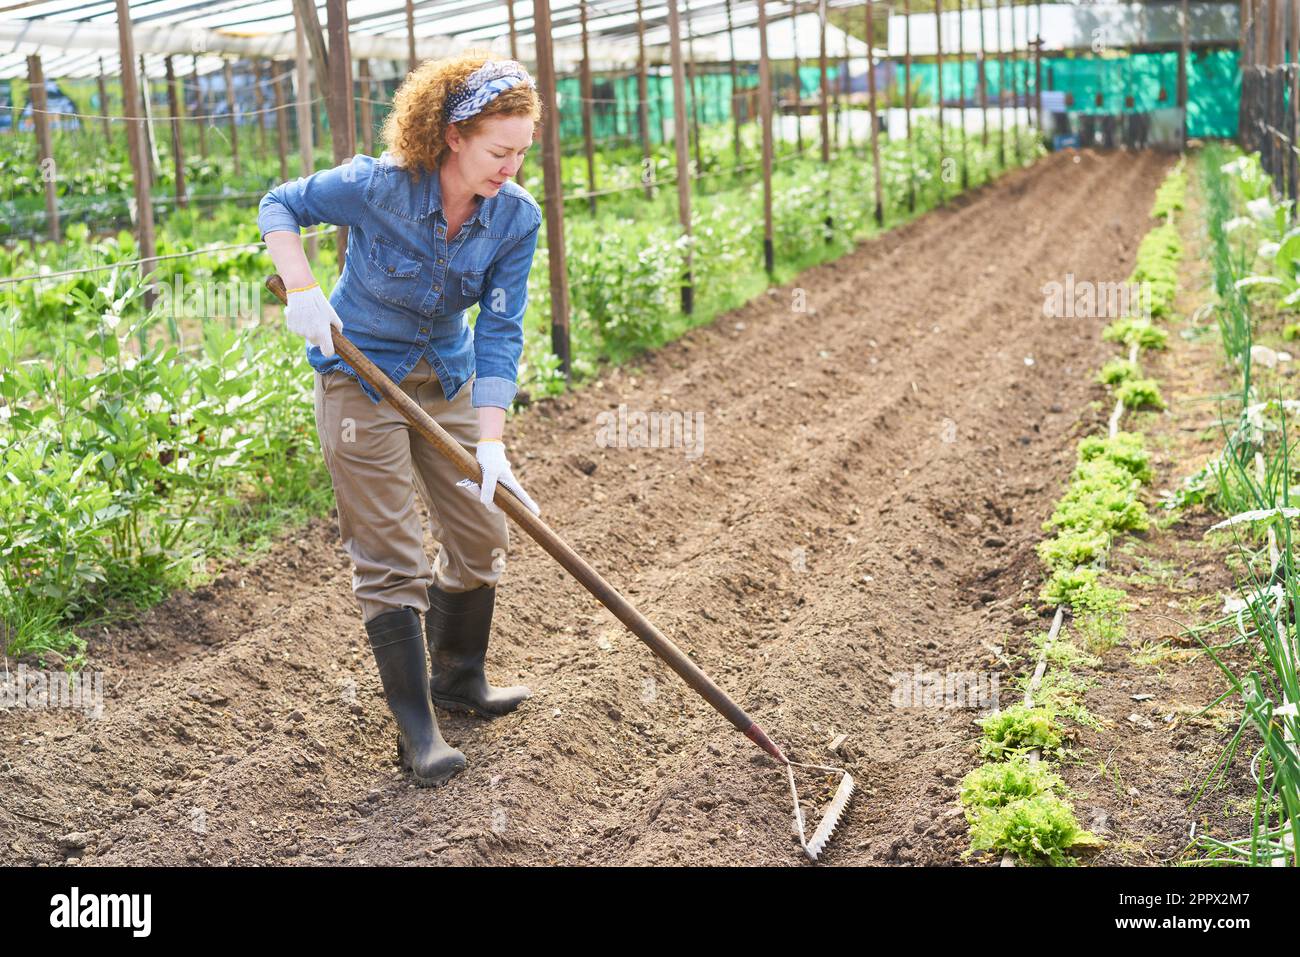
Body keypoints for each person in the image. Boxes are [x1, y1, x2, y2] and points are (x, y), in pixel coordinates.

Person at [257, 53, 544, 788]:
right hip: (360, 382)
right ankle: (418, 733)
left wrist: (492, 441)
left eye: (522, 150)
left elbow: (500, 331)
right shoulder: (379, 186)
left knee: (483, 533)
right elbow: (279, 203)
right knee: (392, 554)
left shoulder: (515, 218)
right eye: (498, 150)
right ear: (453, 136)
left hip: (445, 380)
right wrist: (303, 286)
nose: (511, 166)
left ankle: (460, 678)